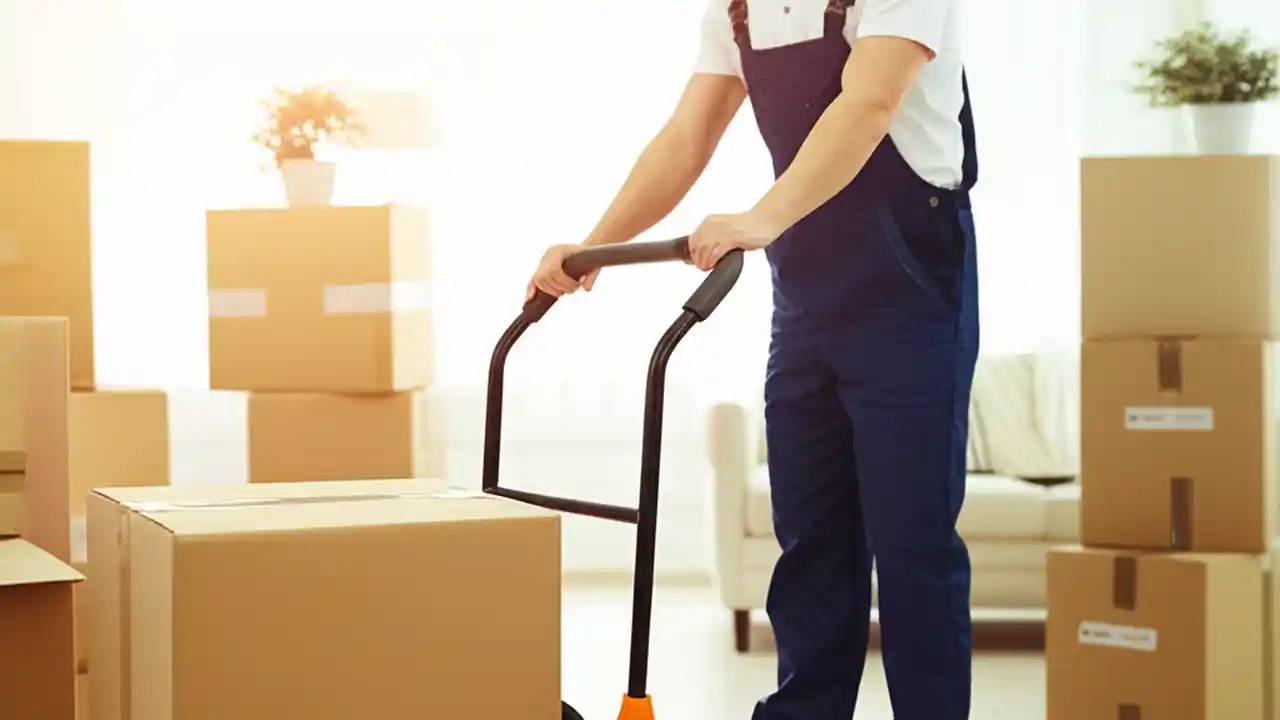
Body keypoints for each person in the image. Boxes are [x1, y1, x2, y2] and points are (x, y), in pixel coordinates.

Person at [528, 0, 978, 717]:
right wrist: (592, 249)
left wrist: (759, 217)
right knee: (810, 540)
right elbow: (689, 134)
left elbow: (870, 102)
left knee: (912, 545)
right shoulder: (737, 8)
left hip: (911, 287)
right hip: (807, 296)